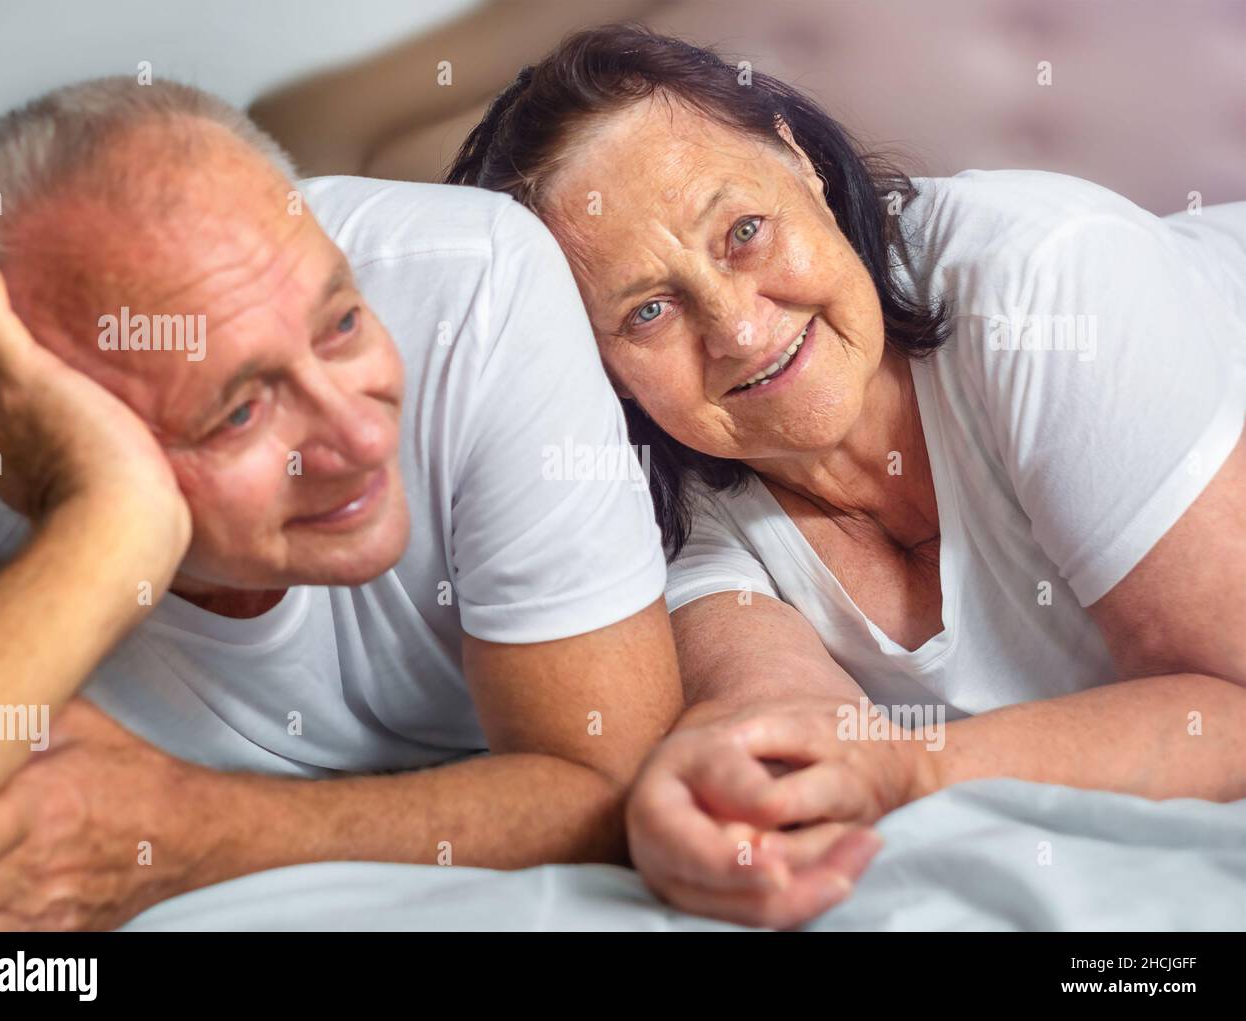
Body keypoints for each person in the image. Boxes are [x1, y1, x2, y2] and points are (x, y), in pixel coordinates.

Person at [445, 24, 1246, 928]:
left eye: (743, 231)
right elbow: (770, 710)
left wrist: (915, 766)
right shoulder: (648, 486)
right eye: (649, 311)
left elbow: (1230, 705)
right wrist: (714, 798)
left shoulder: (1049, 283)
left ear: (801, 163)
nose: (740, 330)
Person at [0, 76, 684, 931]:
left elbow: (615, 783)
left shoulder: (469, 283)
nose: (359, 440)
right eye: (239, 412)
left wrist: (193, 829)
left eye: (340, 327)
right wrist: (107, 523)